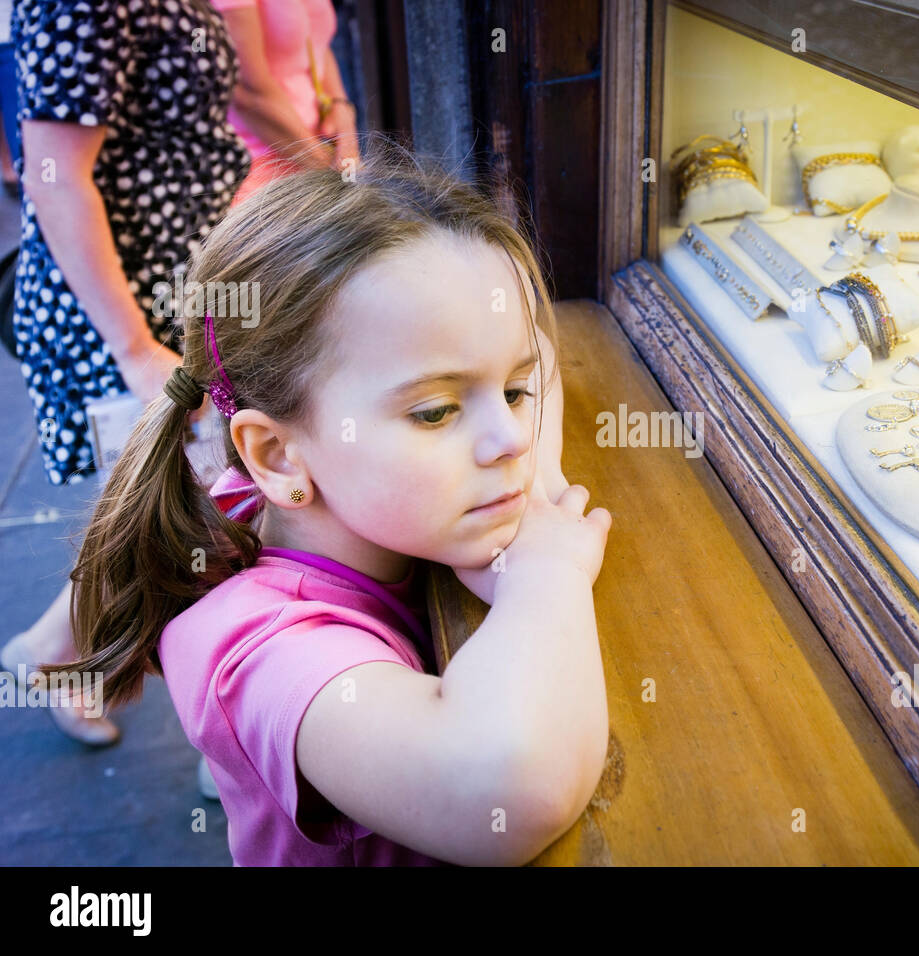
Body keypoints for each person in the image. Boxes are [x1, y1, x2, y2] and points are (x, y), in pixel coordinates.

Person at [66, 145, 613, 866]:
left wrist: (533, 491)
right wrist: (544, 574)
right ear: (279, 455)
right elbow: (506, 797)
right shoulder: (257, 649)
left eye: (511, 394)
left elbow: (535, 345)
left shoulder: (304, 489)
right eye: (437, 411)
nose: (509, 437)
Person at [0, 0, 249, 745]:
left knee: (176, 517)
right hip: (121, 315)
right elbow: (54, 177)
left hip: (166, 302)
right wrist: (136, 349)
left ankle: (52, 652)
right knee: (199, 520)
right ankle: (235, 747)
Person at [213, 0, 359, 206]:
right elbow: (246, 92)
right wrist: (330, 170)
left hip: (315, 155)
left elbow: (317, 42)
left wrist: (342, 111)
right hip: (259, 173)